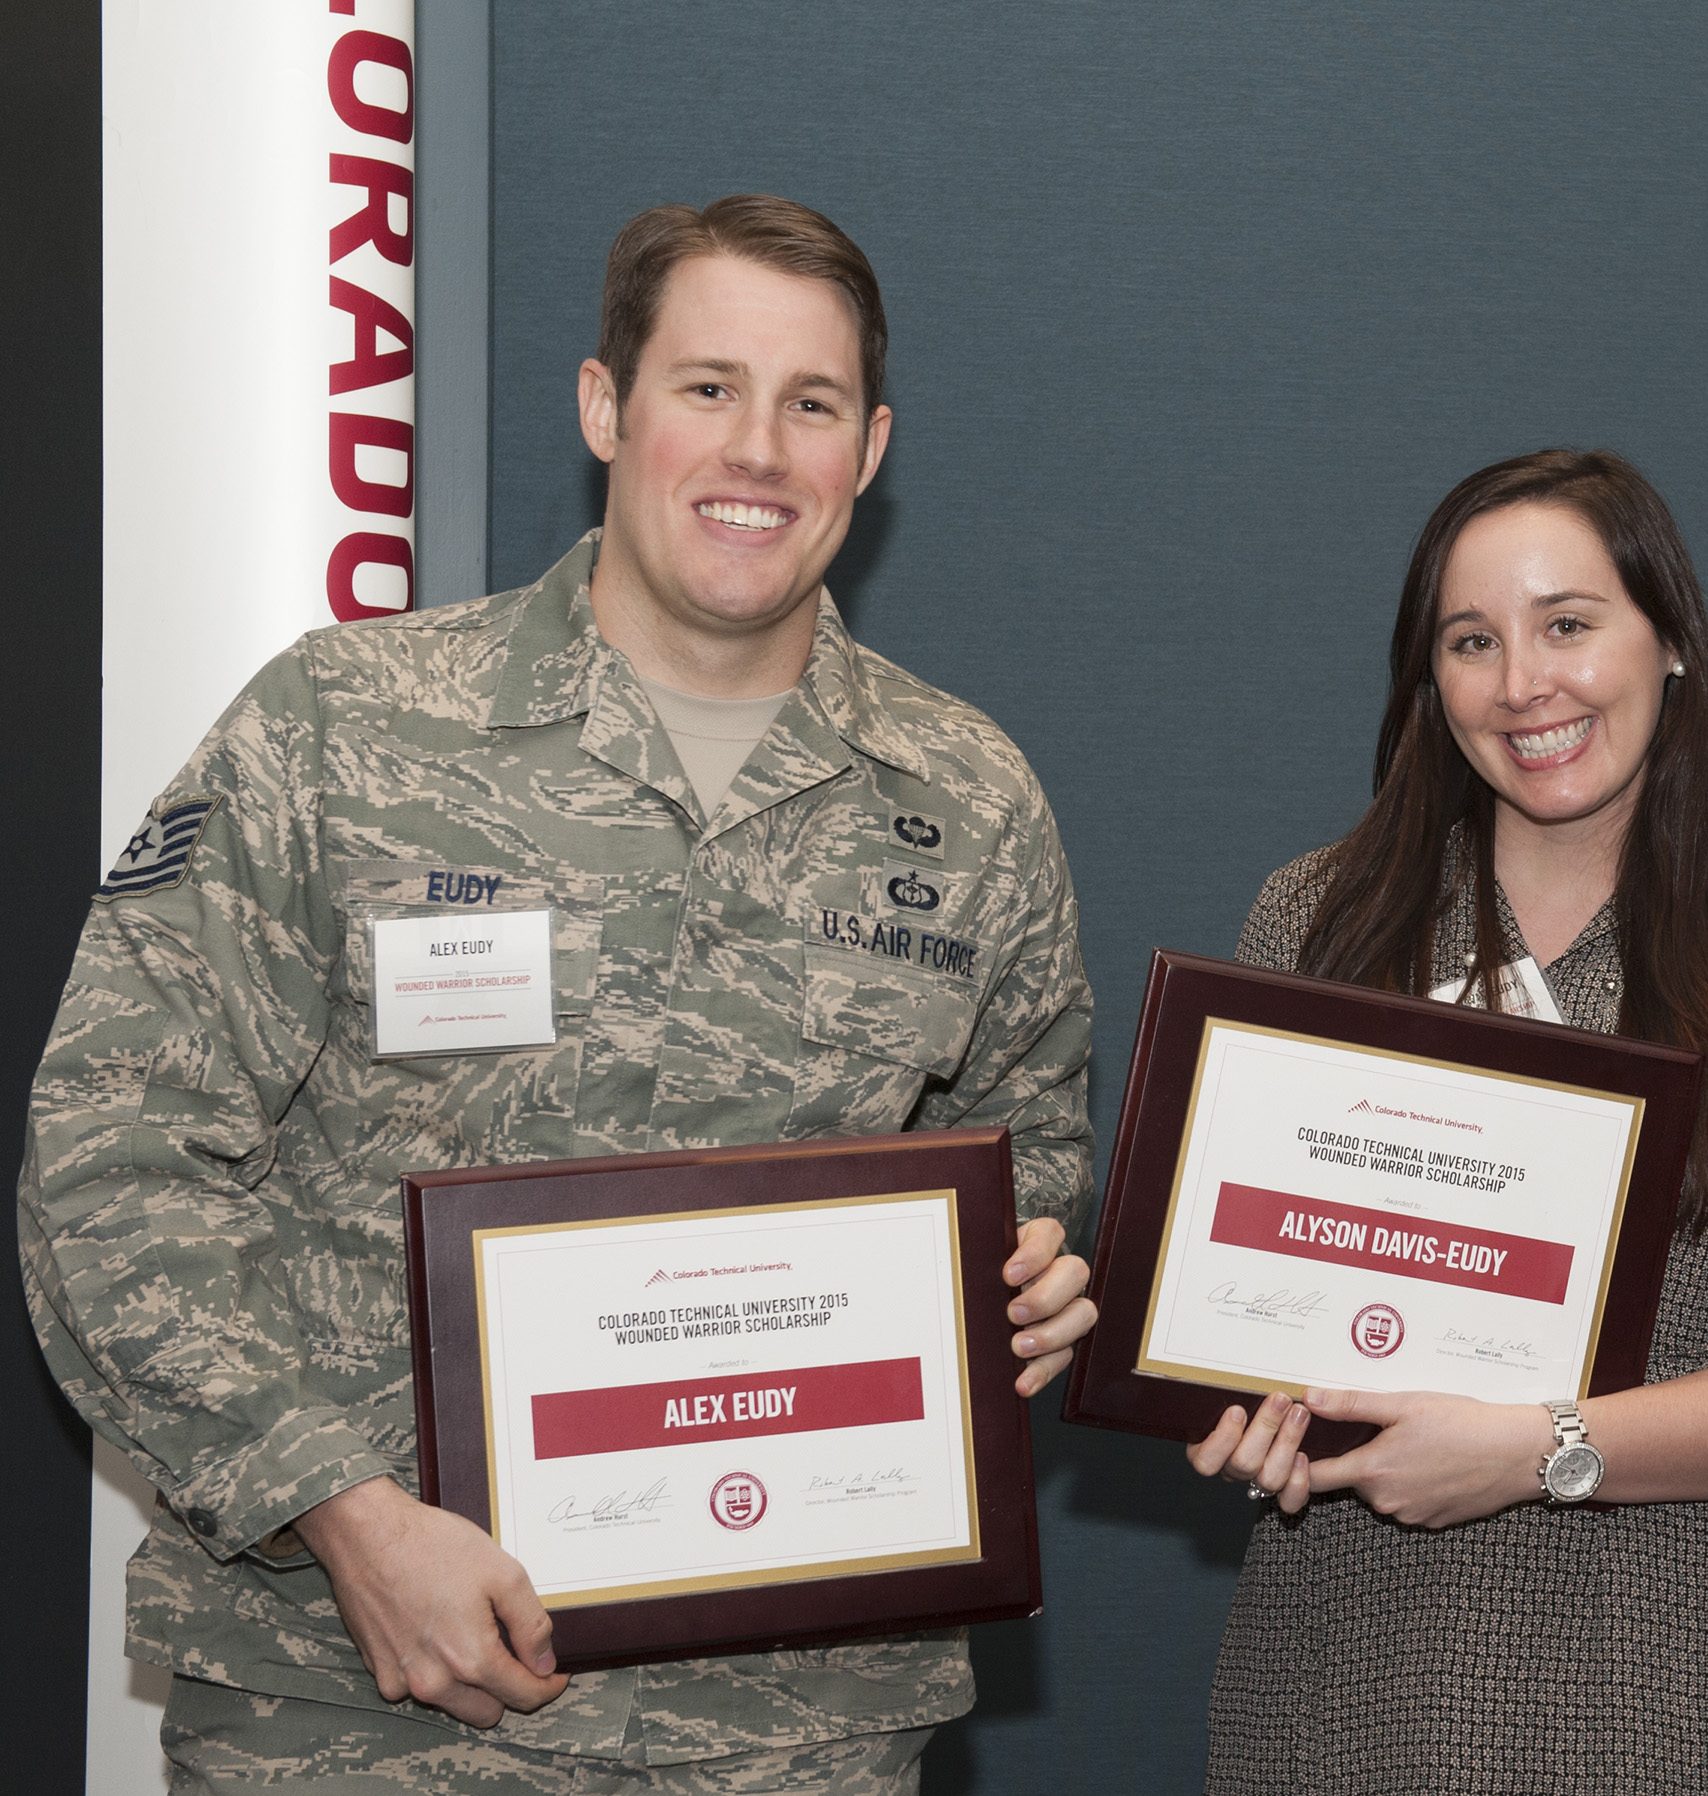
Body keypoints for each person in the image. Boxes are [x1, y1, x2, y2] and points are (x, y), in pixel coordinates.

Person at [18, 195, 1099, 1793]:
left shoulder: (969, 801)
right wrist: (346, 1517)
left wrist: (1027, 1285)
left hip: (795, 1725)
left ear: (869, 451)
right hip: (369, 1702)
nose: (757, 450)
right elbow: (109, 1161)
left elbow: (1032, 1165)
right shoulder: (342, 728)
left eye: (811, 404)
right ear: (606, 406)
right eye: (707, 387)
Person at [1186, 448, 1708, 1794]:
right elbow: (1240, 1312)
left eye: (1569, 624)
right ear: (1431, 682)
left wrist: (1541, 1453)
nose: (1524, 682)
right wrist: (1240, 1406)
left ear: (1672, 642)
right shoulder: (1316, 925)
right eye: (1473, 641)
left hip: (1701, 1714)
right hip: (1354, 1710)